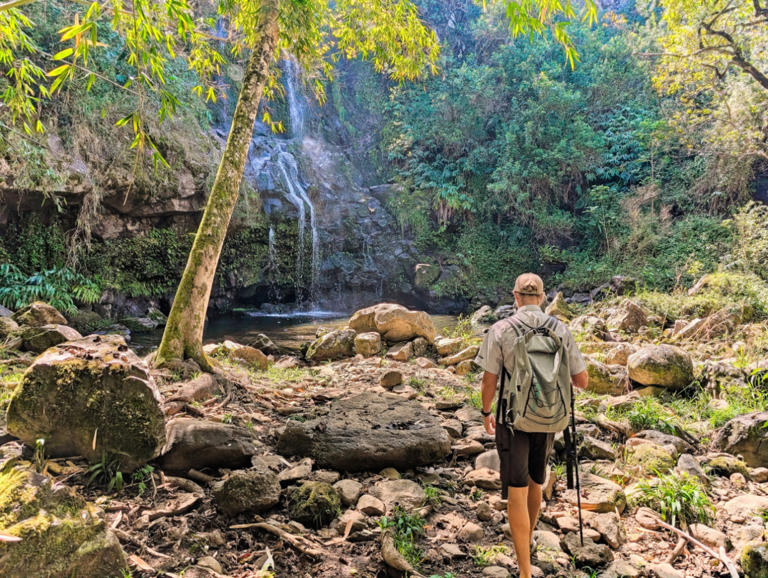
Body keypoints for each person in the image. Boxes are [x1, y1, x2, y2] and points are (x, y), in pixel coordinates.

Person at [475, 273, 588, 578]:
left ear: (515, 296)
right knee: (536, 481)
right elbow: (582, 380)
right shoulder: (561, 330)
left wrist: (486, 410)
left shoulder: (501, 329)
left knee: (516, 489)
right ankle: (528, 537)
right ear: (542, 297)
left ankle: (524, 570)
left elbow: (489, 379)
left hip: (513, 420)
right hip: (549, 417)